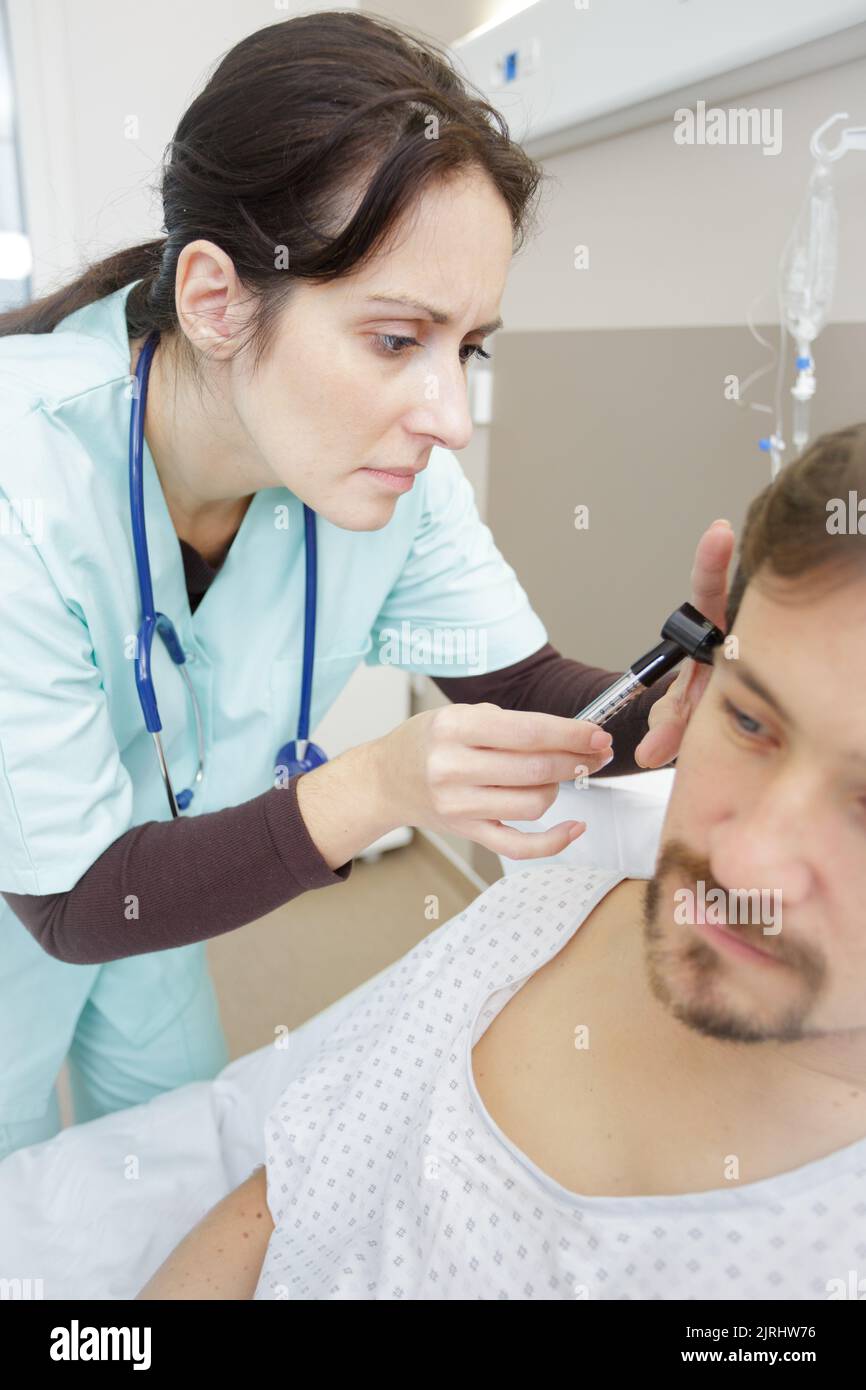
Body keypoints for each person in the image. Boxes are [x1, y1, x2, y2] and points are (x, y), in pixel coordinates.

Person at [0, 11, 731, 1162]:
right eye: (397, 339)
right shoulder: (21, 472)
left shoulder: (385, 477)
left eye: (468, 348)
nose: (449, 416)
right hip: (40, 892)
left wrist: (715, 697)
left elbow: (533, 687)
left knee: (172, 1151)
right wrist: (379, 783)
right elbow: (78, 902)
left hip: (162, 888)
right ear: (214, 299)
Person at [138, 425, 866, 1300]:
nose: (741, 864)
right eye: (751, 723)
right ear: (701, 689)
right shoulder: (541, 920)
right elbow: (284, 1204)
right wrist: (372, 786)